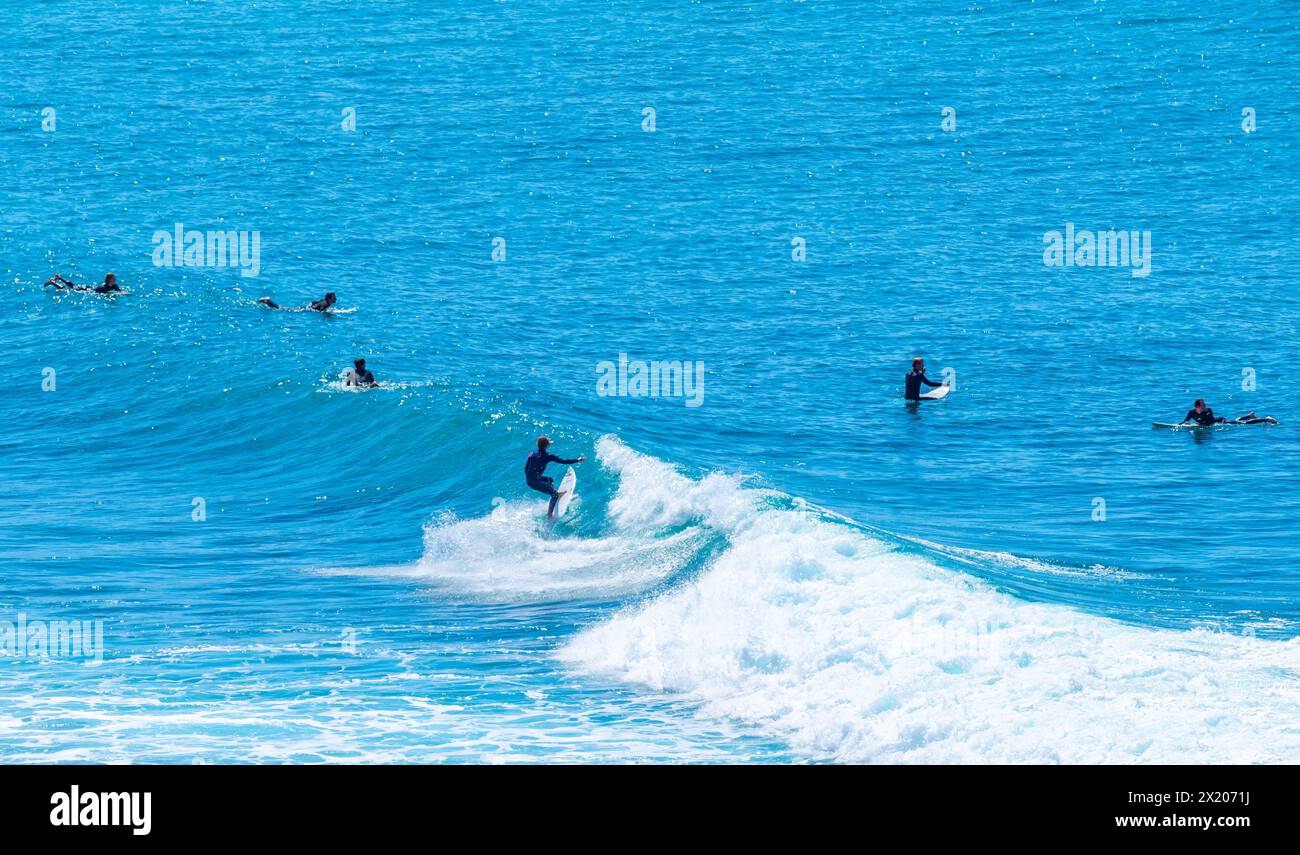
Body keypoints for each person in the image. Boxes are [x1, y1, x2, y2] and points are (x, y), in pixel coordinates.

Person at [525, 436, 586, 519]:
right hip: (535, 482)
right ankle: (549, 514)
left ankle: (552, 492)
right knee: (554, 495)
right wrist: (578, 460)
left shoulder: (532, 454)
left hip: (529, 479)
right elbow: (564, 461)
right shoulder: (548, 456)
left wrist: (532, 477)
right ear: (547, 446)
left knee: (550, 480)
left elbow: (526, 469)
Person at [1181, 399, 1277, 426]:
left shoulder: (1208, 410)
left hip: (1221, 421)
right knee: (1237, 420)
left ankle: (1267, 419)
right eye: (1203, 405)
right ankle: (1249, 415)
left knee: (1243, 424)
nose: (1205, 406)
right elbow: (1185, 421)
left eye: (1205, 404)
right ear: (1197, 407)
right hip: (1212, 423)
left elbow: (1209, 423)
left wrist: (1199, 425)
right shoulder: (1191, 412)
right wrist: (1179, 425)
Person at [43, 273, 122, 294]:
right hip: (86, 291)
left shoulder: (114, 285)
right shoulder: (103, 287)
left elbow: (120, 292)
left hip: (89, 288)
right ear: (110, 280)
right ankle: (53, 282)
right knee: (68, 289)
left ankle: (59, 278)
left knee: (73, 286)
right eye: (114, 279)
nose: (115, 280)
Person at [258, 292, 336, 312]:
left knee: (282, 308)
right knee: (281, 309)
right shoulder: (325, 304)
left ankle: (267, 301)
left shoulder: (325, 301)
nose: (335, 299)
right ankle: (267, 301)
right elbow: (320, 309)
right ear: (329, 298)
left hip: (306, 308)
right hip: (305, 311)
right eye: (334, 297)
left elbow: (313, 302)